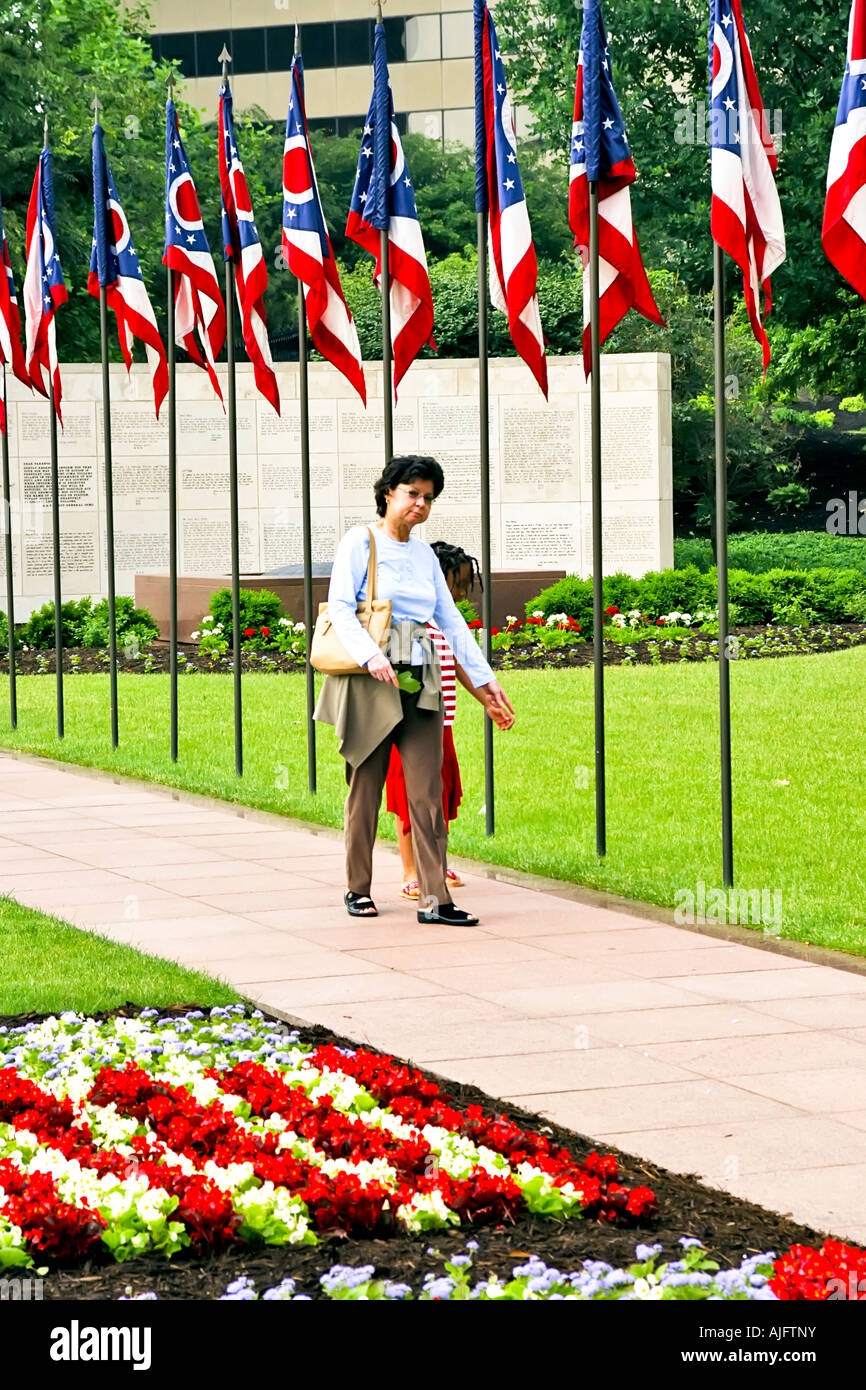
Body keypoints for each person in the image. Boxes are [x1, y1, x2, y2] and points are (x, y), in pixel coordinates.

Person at [314, 455, 514, 927]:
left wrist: (485, 682)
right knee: (366, 786)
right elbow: (341, 607)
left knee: (427, 791)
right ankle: (357, 887)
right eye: (412, 494)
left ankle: (435, 899)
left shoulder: (424, 555)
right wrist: (372, 656)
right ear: (388, 493)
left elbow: (450, 621)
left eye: (428, 498)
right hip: (371, 675)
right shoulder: (359, 541)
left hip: (420, 673)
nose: (420, 505)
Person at [386, 541, 502, 899]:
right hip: (409, 726)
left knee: (439, 797)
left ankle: (435, 862)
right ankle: (411, 871)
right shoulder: (412, 619)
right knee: (409, 801)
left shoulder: (445, 621)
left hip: (441, 724)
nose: (461, 592)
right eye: (456, 583)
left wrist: (486, 697)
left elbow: (457, 664)